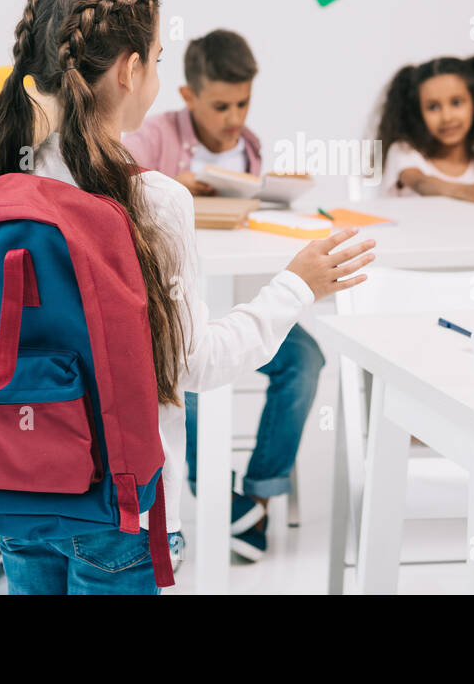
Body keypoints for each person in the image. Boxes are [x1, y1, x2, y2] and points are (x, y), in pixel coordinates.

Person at [0, 0, 375, 591]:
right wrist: (298, 285)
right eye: (156, 60)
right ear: (130, 71)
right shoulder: (152, 200)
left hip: (15, 486)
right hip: (120, 504)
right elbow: (194, 364)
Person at [121, 29, 327, 561]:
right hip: (175, 307)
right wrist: (176, 179)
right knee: (187, 372)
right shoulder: (153, 134)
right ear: (188, 96)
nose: (233, 117)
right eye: (220, 105)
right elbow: (118, 185)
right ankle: (211, 490)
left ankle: (259, 490)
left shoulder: (250, 146)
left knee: (304, 357)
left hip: (233, 296)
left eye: (243, 102)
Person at [375, 55, 474, 202]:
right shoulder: (405, 152)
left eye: (456, 103)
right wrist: (466, 191)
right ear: (418, 113)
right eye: (433, 107)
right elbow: (421, 183)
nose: (447, 117)